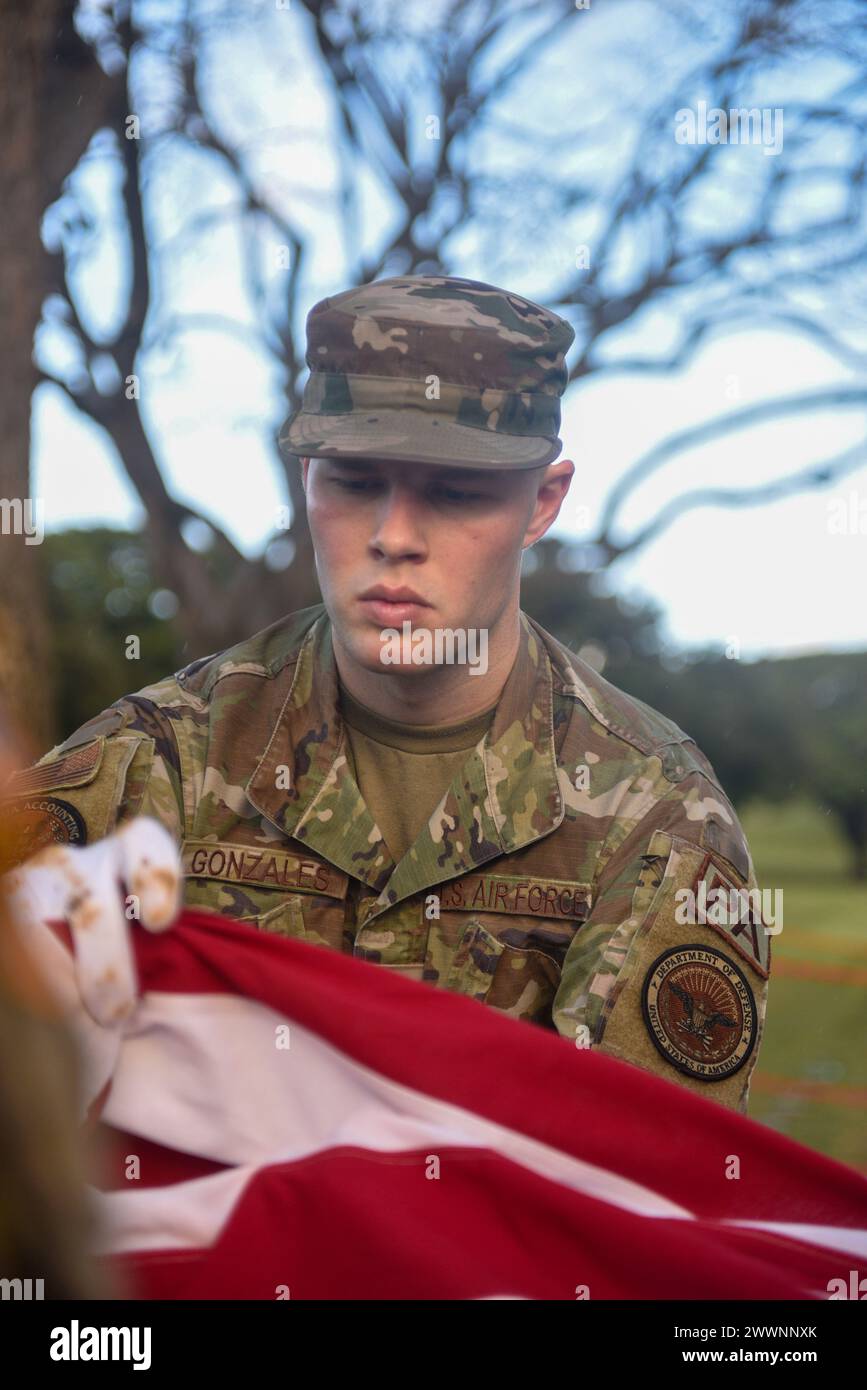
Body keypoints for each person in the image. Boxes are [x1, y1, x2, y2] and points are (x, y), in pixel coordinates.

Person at [1, 274, 771, 1113]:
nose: (393, 537)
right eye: (356, 481)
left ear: (542, 502)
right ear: (305, 478)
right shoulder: (154, 760)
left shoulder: (654, 813)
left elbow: (633, 1187)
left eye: (454, 491)